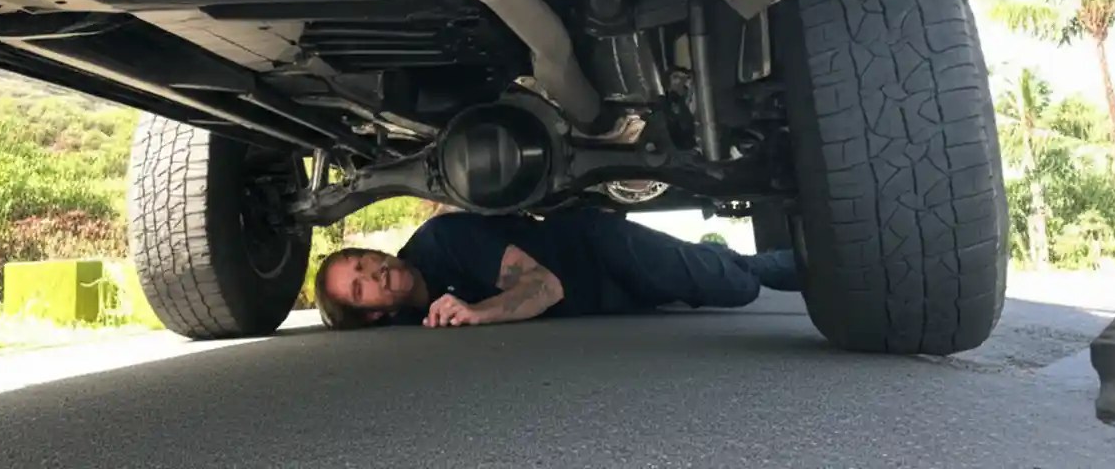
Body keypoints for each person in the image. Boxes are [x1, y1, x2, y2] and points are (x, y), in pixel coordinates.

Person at [314, 207, 801, 330]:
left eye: (362, 261)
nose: (373, 273)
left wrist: (481, 311)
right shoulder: (402, 321)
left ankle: (842, 267)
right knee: (716, 275)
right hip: (609, 305)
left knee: (736, 284)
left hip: (601, 251)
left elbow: (544, 286)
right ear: (374, 316)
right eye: (359, 290)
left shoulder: (442, 241)